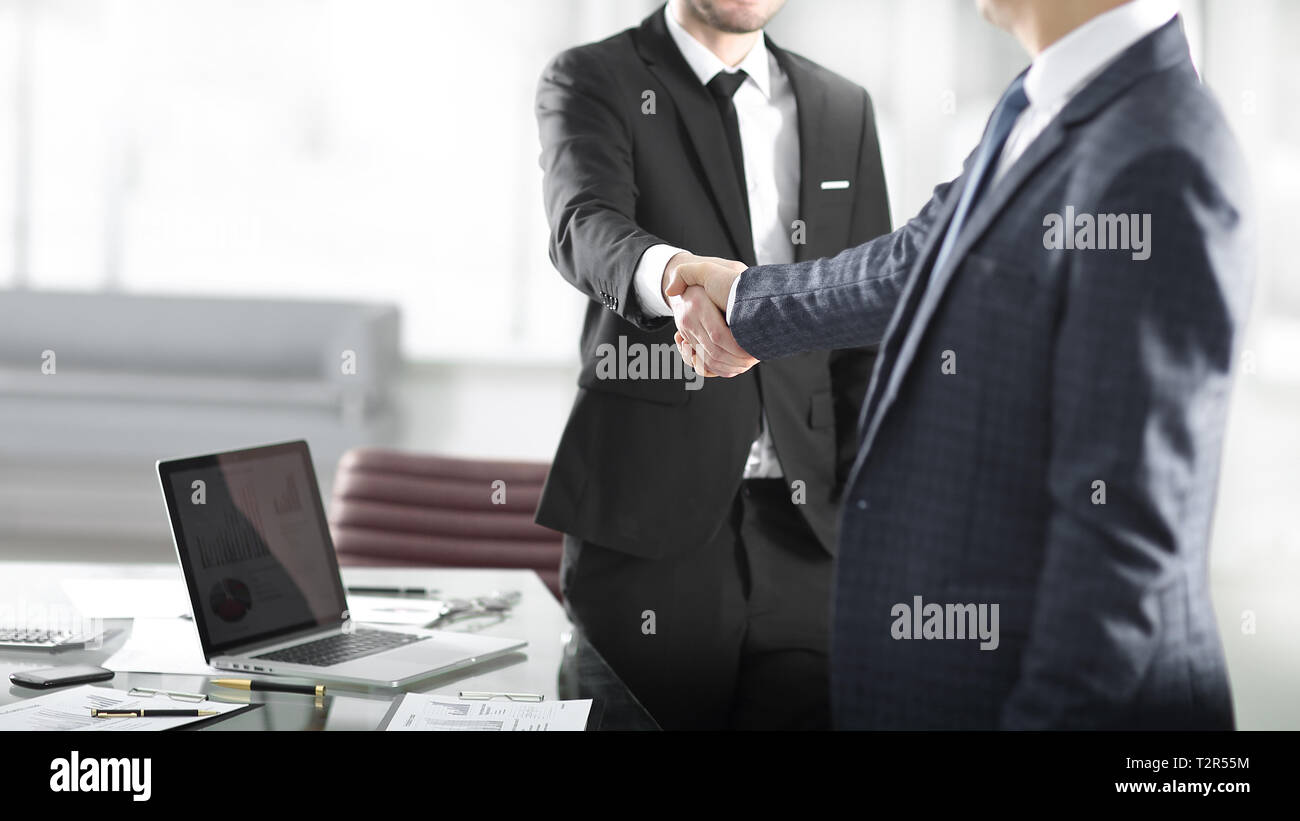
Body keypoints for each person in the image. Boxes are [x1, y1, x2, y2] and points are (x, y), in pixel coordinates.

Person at [669, 0, 1252, 729]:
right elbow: (919, 256)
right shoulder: (1040, 100)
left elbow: (1117, 564)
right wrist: (749, 299)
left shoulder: (1158, 155)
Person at [533, 0, 892, 729]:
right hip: (647, 534)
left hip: (807, 539)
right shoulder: (593, 76)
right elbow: (584, 222)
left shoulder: (841, 106)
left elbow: (867, 321)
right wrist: (674, 275)